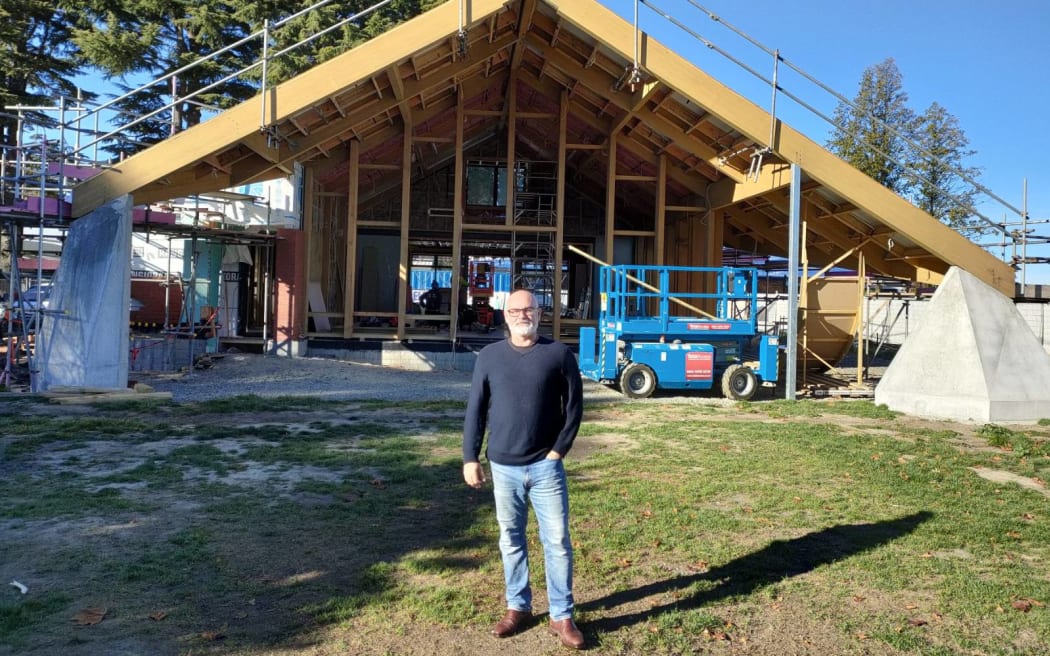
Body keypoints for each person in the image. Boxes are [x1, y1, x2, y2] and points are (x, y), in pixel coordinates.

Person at [462, 289, 585, 649]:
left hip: (546, 467)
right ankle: (519, 607)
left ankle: (561, 616)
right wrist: (471, 457)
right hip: (503, 466)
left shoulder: (559, 354)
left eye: (528, 309)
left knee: (558, 542)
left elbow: (574, 407)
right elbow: (476, 410)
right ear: (505, 315)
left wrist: (559, 451)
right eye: (515, 309)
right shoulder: (488, 357)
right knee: (511, 541)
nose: (522, 314)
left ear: (539, 312)